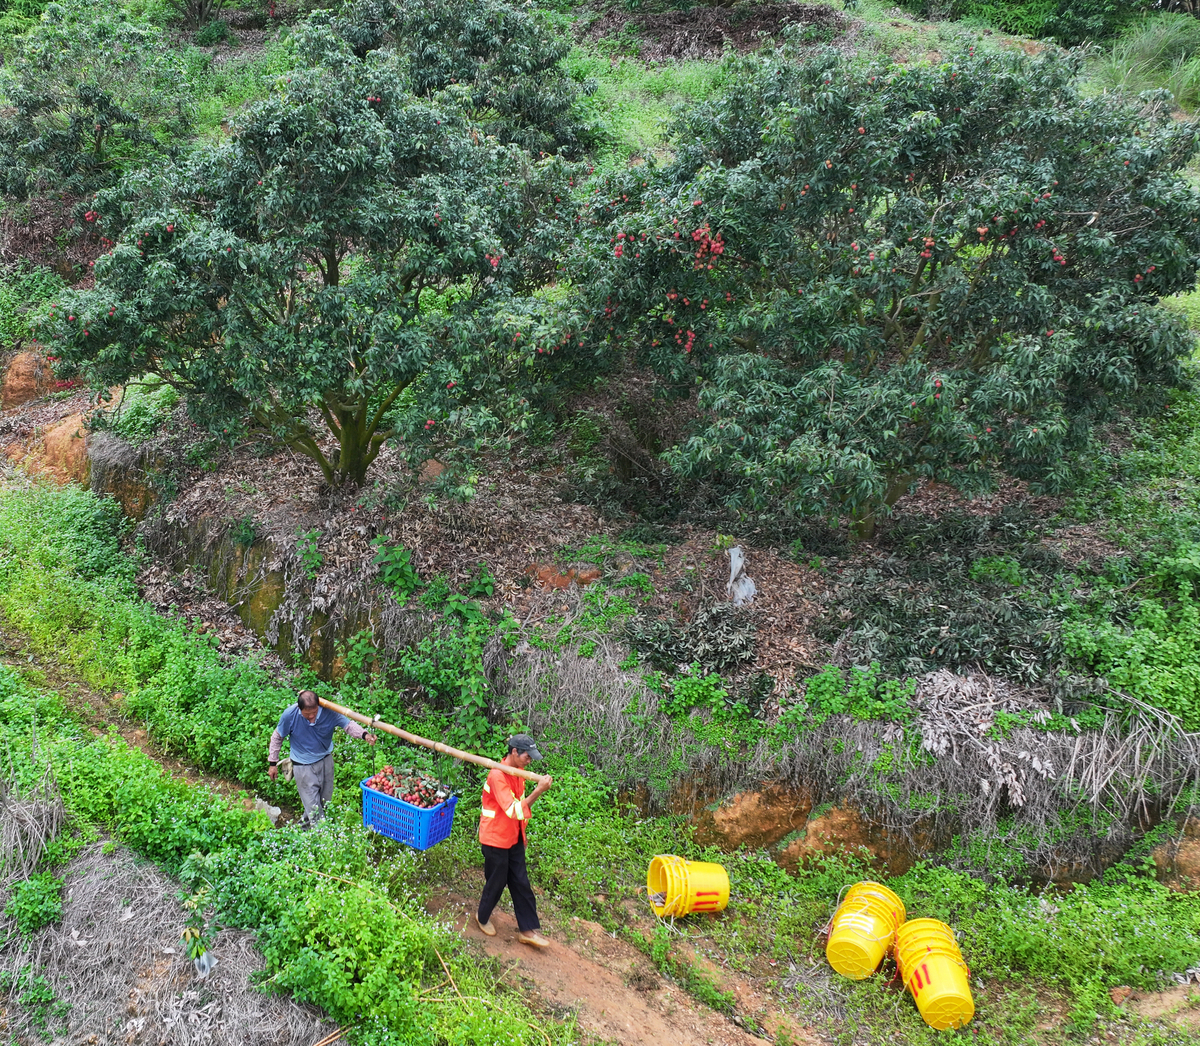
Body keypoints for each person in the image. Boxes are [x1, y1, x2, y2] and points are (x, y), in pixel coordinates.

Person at [476, 733, 553, 947]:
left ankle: (527, 930)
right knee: (497, 881)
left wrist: (522, 835)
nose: (529, 761)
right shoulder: (497, 776)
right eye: (527, 757)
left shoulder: (518, 772)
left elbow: (519, 808)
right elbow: (512, 810)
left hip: (514, 835)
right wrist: (538, 791)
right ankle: (482, 916)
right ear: (514, 752)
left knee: (521, 882)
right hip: (495, 838)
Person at [267, 689, 376, 825]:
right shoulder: (290, 715)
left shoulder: (329, 711)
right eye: (307, 715)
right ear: (299, 709)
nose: (312, 717)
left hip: (326, 761)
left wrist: (365, 735)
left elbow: (348, 725)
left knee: (324, 802)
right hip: (303, 766)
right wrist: (273, 763)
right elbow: (277, 737)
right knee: (314, 808)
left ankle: (304, 828)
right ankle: (321, 833)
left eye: (314, 713)